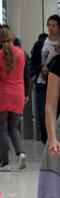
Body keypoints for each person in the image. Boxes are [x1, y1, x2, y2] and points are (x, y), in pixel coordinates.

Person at [0, 25, 27, 171]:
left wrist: (0, 77)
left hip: (2, 95)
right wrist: (26, 94)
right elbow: (26, 76)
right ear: (12, 38)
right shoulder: (22, 54)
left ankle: (5, 163)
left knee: (2, 129)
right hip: (18, 95)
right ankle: (21, 153)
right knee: (14, 127)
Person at [30, 14, 60, 144]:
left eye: (54, 25)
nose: (51, 28)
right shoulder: (40, 44)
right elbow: (33, 63)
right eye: (49, 25)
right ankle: (47, 143)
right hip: (42, 83)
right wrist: (40, 69)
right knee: (44, 115)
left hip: (57, 84)